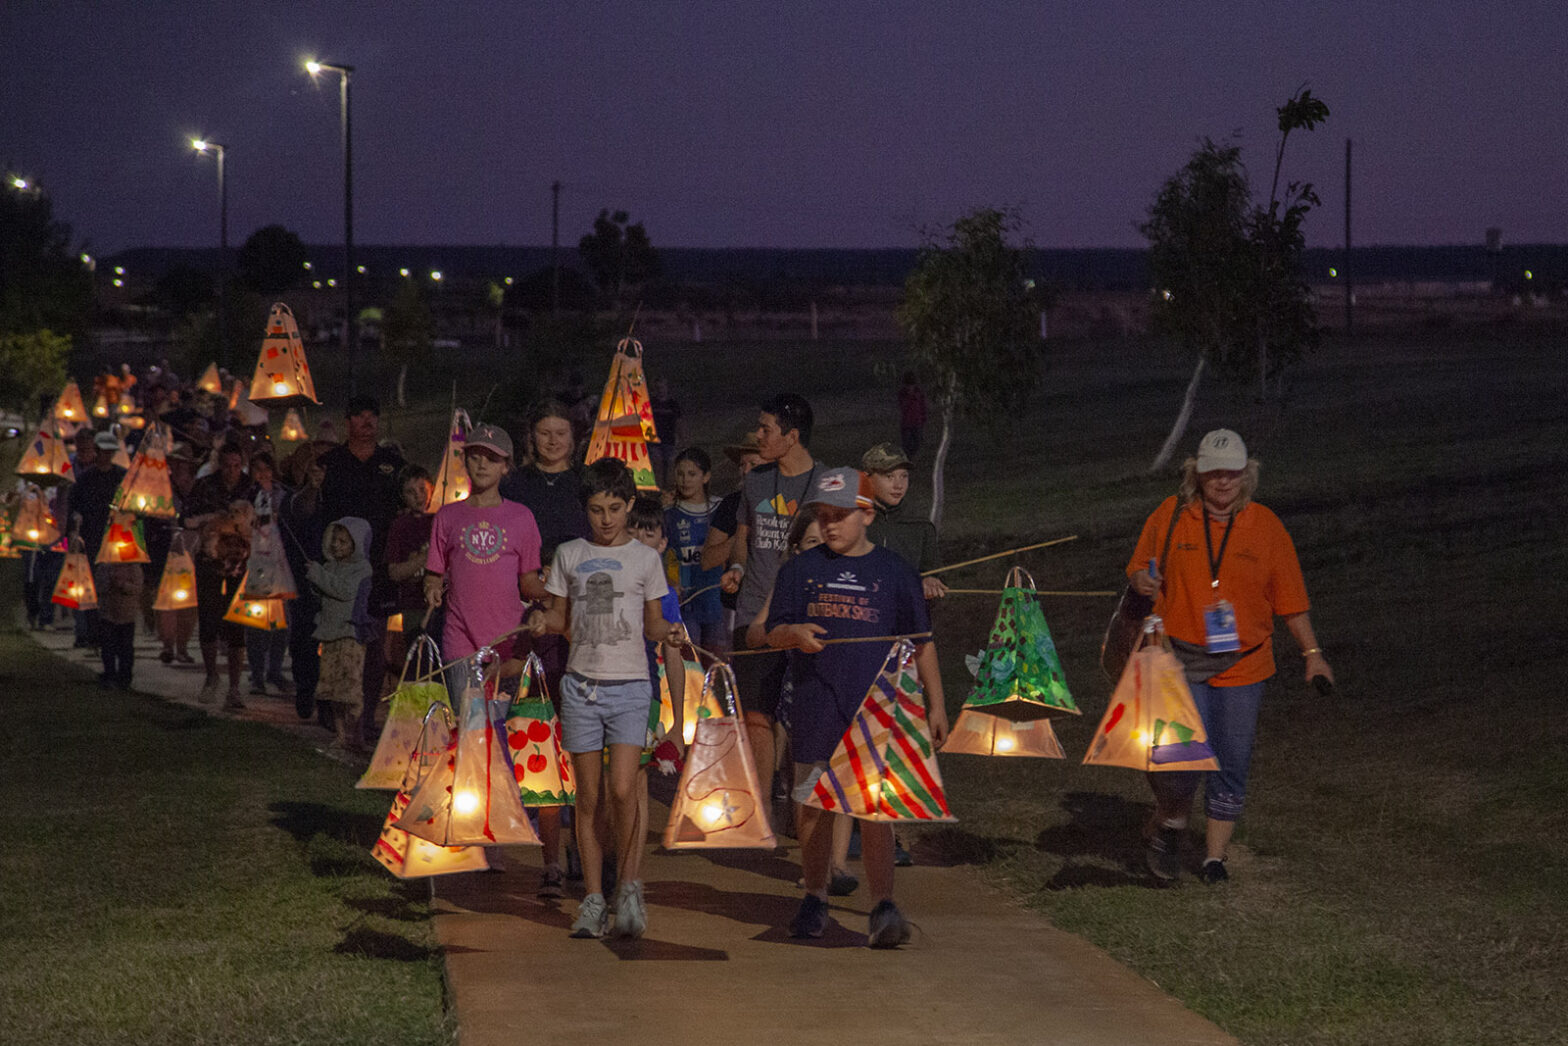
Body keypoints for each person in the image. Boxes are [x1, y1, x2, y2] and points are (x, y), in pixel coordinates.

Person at [1125, 429, 1333, 884]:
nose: (1222, 483)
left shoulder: (1267, 527)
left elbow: (1291, 599)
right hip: (1179, 657)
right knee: (1182, 754)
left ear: (1247, 475)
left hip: (1245, 661)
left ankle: (1215, 858)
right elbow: (1140, 565)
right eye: (1213, 473)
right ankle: (1170, 824)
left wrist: (1312, 653)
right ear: (1196, 474)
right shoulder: (1172, 515)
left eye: (1232, 474)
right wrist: (1143, 580)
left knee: (1232, 758)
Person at [764, 468, 948, 946]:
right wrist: (792, 635)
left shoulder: (895, 572)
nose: (830, 526)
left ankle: (883, 904)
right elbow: (770, 630)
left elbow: (921, 643)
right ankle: (816, 894)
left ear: (866, 514)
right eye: (824, 517)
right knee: (812, 804)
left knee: (875, 809)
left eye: (841, 516)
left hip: (877, 708)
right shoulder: (800, 571)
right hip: (816, 702)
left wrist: (935, 706)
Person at [528, 459, 685, 941]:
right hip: (580, 687)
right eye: (597, 509)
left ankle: (630, 885)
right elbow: (559, 618)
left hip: (631, 687)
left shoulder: (645, 559)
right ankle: (594, 897)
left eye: (615, 508)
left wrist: (672, 634)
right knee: (589, 797)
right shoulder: (571, 555)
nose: (606, 518)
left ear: (630, 504)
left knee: (623, 790)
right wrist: (541, 620)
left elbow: (653, 624)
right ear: (586, 510)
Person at [422, 424, 548, 878]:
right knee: (471, 733)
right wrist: (433, 588)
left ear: (505, 466)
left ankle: (498, 824)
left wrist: (547, 600)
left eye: (491, 458)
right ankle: (472, 832)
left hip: (506, 642)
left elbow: (529, 580)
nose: (481, 464)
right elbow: (435, 572)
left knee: (500, 734)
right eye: (474, 456)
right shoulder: (448, 517)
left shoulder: (521, 518)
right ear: (466, 462)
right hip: (459, 640)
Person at [498, 401, 590, 886]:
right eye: (544, 432)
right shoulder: (516, 488)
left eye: (561, 432)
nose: (553, 441)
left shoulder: (586, 486)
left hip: (580, 618)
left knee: (580, 742)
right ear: (532, 437)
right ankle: (550, 857)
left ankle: (583, 849)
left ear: (573, 438)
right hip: (529, 612)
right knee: (540, 737)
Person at [719, 394, 824, 803]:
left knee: (805, 716)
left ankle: (803, 806)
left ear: (792, 436)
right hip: (753, 613)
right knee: (757, 715)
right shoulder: (757, 480)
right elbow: (743, 542)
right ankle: (760, 808)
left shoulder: (826, 483)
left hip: (807, 615)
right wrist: (738, 568)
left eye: (766, 429)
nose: (758, 435)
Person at [296, 396, 406, 744]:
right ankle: (332, 706)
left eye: (373, 415)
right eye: (359, 416)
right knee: (336, 638)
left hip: (378, 568)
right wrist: (313, 487)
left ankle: (366, 714)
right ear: (348, 422)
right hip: (339, 569)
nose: (367, 422)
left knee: (373, 643)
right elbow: (305, 510)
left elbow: (410, 505)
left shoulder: (392, 463)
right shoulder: (330, 463)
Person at [183, 440, 256, 707]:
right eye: (227, 466)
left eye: (237, 466)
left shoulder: (250, 486)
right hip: (210, 561)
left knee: (237, 625)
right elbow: (186, 518)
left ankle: (234, 688)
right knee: (209, 620)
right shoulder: (205, 486)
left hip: (240, 563)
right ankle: (212, 676)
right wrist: (212, 518)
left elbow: (265, 519)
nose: (232, 471)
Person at [308, 517, 374, 751]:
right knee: (333, 687)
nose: (337, 545)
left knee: (350, 688)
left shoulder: (361, 569)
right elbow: (324, 592)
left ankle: (356, 734)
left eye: (344, 541)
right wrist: (316, 579)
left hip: (349, 634)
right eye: (335, 540)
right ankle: (341, 734)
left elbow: (345, 590)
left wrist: (319, 576)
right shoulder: (330, 567)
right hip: (329, 635)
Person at [698, 431, 764, 650]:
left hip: (774, 606)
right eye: (742, 465)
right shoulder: (731, 504)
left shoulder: (786, 503)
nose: (746, 471)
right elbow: (708, 559)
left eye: (753, 464)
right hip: (737, 608)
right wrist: (743, 535)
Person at [862, 443, 948, 601]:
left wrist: (931, 582)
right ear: (867, 478)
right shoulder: (850, 523)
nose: (898, 485)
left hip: (903, 619)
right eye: (889, 476)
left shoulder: (920, 526)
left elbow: (933, 575)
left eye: (904, 476)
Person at [664, 448, 726, 652]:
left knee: (717, 659)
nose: (685, 480)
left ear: (706, 476)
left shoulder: (720, 509)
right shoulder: (670, 513)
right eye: (680, 474)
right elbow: (663, 554)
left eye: (692, 474)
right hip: (685, 602)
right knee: (690, 658)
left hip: (716, 600)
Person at [245, 450, 293, 697]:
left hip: (281, 565)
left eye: (267, 470)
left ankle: (274, 670)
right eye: (258, 470)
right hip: (257, 565)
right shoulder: (248, 495)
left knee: (281, 623)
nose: (263, 475)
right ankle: (257, 673)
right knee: (256, 622)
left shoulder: (284, 495)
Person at [97, 557, 144, 690]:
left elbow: (137, 589)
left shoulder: (134, 568)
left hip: (127, 615)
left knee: (125, 648)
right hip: (108, 613)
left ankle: (125, 677)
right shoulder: (104, 567)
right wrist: (109, 582)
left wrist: (122, 584)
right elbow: (99, 588)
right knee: (108, 647)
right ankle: (109, 675)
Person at [648, 377, 684, 487]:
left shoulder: (672, 404)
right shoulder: (651, 403)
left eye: (662, 387)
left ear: (666, 388)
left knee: (669, 465)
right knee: (657, 464)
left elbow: (678, 422)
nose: (660, 390)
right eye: (658, 388)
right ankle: (659, 489)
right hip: (654, 440)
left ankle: (668, 487)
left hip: (669, 439)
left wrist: (682, 438)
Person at [897, 372, 927, 459]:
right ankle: (906, 459)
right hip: (906, 423)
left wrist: (924, 418)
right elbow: (903, 406)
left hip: (917, 422)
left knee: (917, 443)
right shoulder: (902, 394)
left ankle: (910, 457)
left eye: (911, 385)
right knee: (906, 444)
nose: (910, 387)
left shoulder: (919, 393)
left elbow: (923, 406)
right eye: (908, 385)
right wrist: (909, 397)